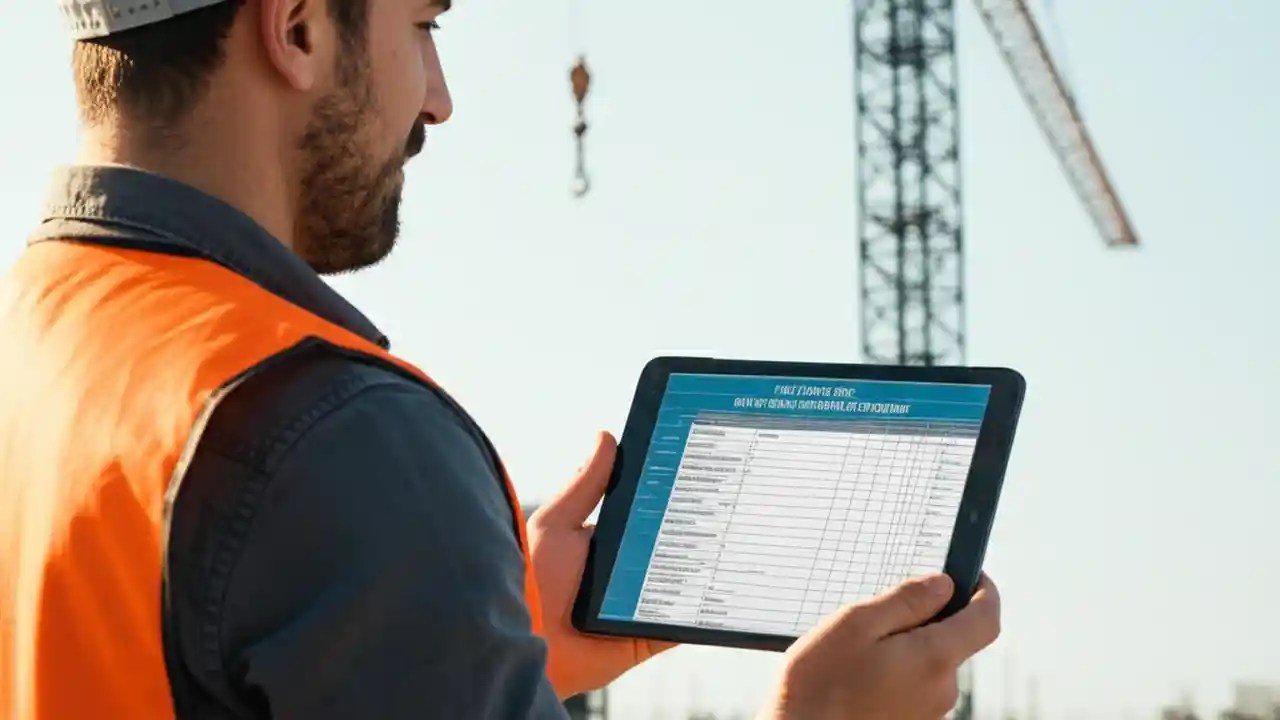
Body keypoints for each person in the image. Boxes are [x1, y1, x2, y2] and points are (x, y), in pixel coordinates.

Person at [0, 1, 1002, 718]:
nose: (438, 101)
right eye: (424, 28)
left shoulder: (35, 342)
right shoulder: (329, 431)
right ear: (298, 28)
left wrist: (479, 639)